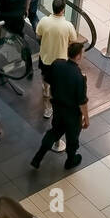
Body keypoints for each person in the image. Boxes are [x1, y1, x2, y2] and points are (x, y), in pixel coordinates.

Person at [29, 41, 88, 170]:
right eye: (82, 53)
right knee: (72, 138)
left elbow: (47, 78)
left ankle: (38, 157)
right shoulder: (80, 77)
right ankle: (70, 160)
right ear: (78, 56)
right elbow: (82, 102)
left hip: (58, 108)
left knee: (54, 132)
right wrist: (86, 119)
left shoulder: (57, 64)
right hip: (72, 114)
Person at [35, 0, 74, 120]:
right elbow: (73, 40)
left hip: (45, 57)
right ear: (63, 10)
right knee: (56, 85)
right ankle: (49, 108)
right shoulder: (68, 25)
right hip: (60, 62)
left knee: (45, 77)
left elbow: (38, 35)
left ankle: (45, 89)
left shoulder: (44, 21)